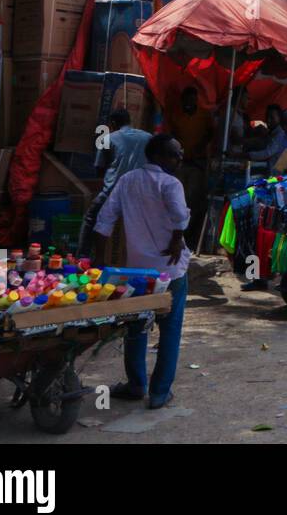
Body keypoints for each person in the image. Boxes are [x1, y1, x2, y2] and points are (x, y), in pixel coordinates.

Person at [92, 134, 189, 410]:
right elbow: (180, 216)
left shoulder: (127, 180)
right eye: (174, 154)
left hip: (137, 272)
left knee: (136, 327)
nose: (179, 159)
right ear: (158, 156)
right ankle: (159, 393)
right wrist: (176, 237)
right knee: (170, 331)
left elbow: (104, 221)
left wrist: (99, 265)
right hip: (170, 272)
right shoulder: (170, 183)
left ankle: (136, 385)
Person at [80, 108, 152, 256]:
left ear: (112, 123)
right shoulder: (148, 137)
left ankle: (83, 256)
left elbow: (99, 169)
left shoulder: (107, 138)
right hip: (141, 192)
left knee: (90, 218)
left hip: (113, 191)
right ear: (129, 121)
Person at [166, 86, 212, 248]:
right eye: (187, 100)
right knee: (180, 200)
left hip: (197, 164)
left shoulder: (204, 116)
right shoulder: (175, 115)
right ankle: (179, 235)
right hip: (180, 163)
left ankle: (190, 237)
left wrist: (202, 145)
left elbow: (211, 133)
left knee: (194, 201)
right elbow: (170, 134)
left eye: (193, 99)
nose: (190, 102)